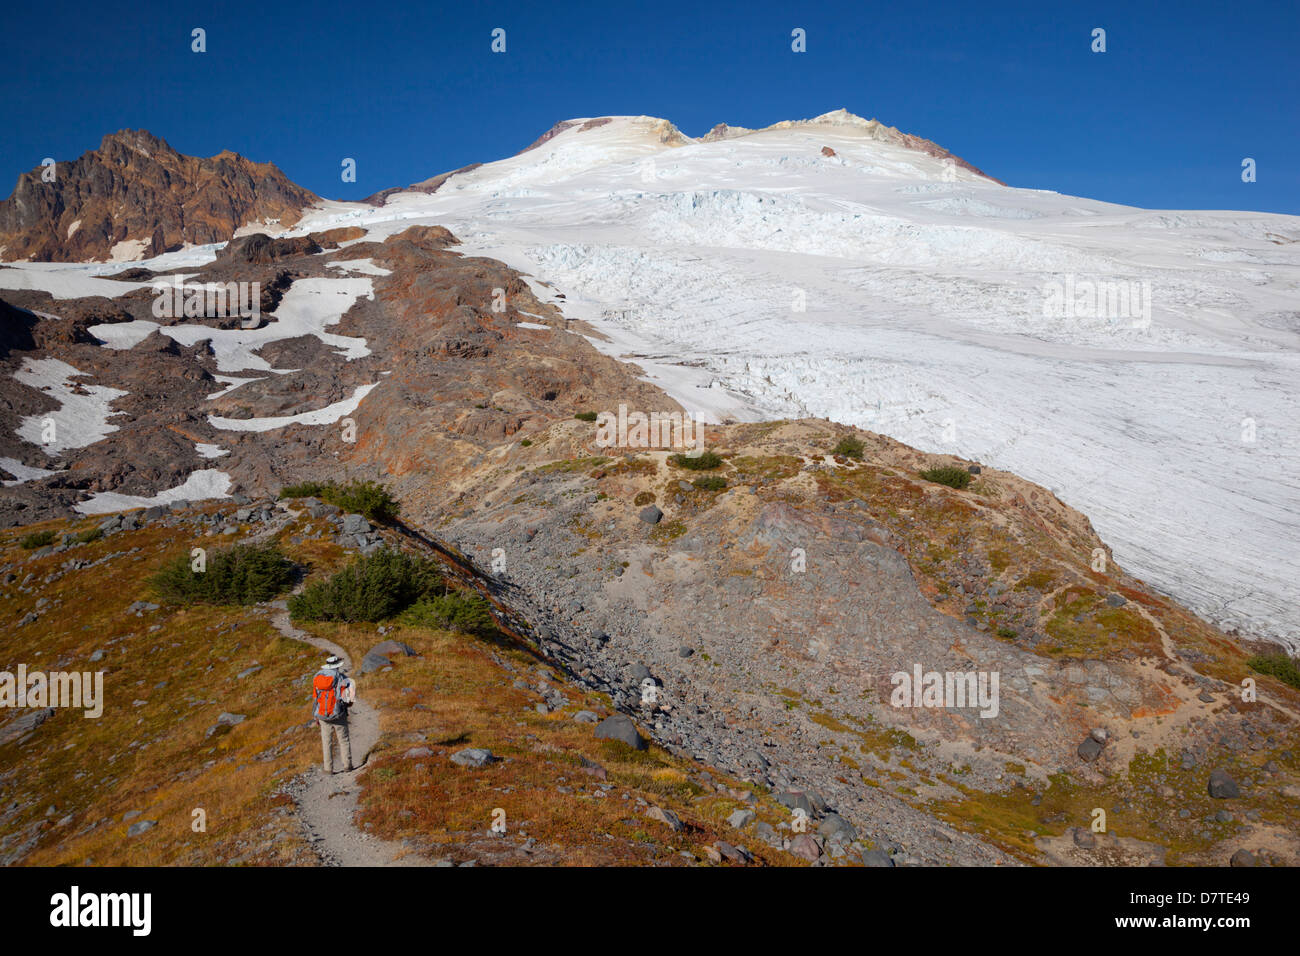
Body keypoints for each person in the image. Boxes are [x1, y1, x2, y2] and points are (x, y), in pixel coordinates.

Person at [313, 654, 355, 773]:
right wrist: (346, 707)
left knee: (326, 742)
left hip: (322, 715)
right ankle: (347, 766)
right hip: (338, 714)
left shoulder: (318, 677)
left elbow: (315, 698)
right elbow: (348, 699)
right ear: (337, 666)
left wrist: (316, 716)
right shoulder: (342, 678)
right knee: (343, 740)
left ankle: (328, 768)